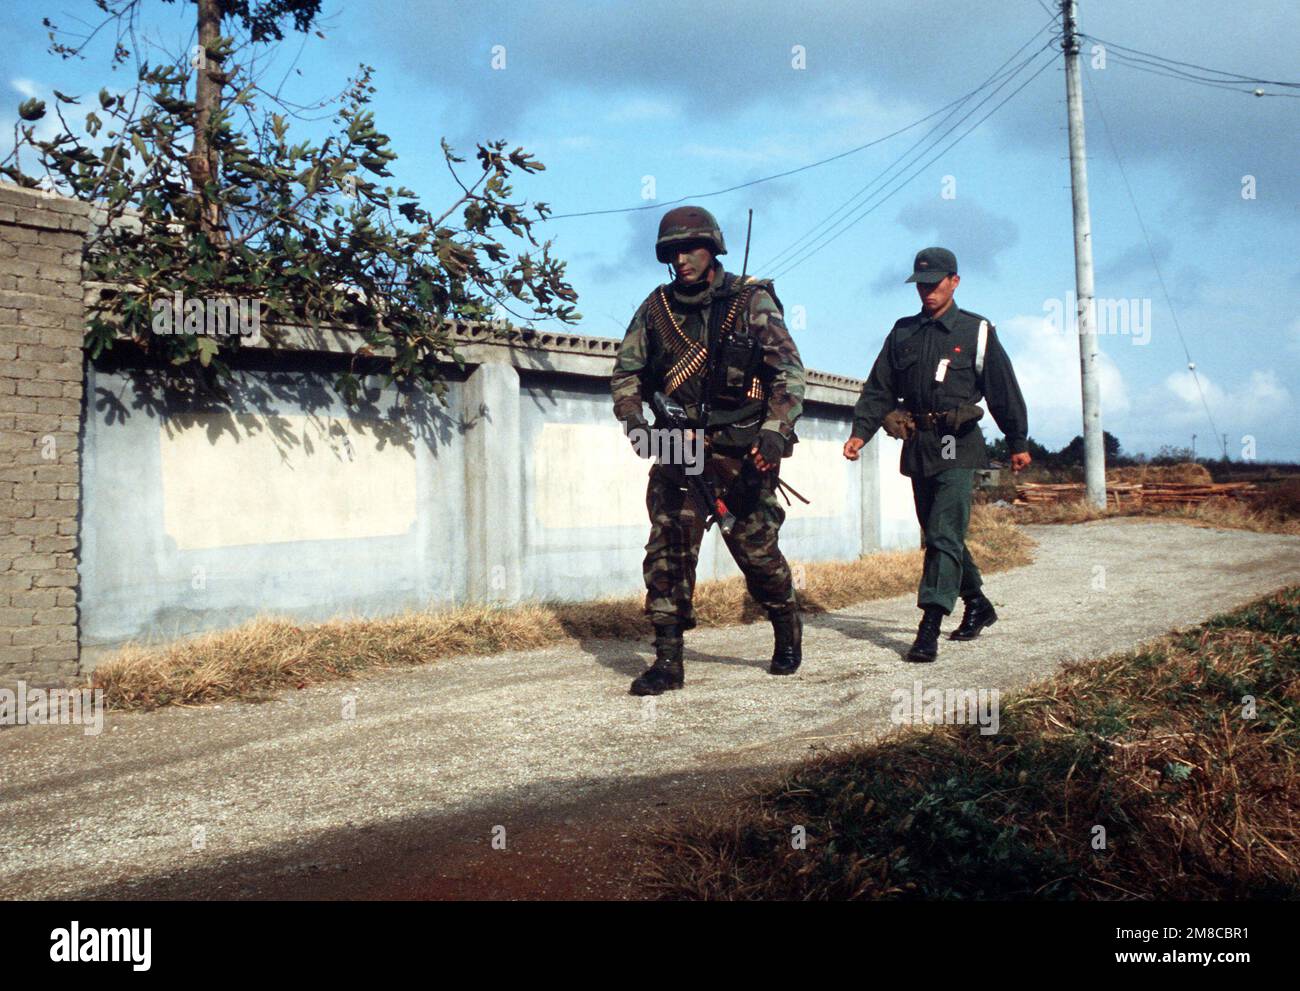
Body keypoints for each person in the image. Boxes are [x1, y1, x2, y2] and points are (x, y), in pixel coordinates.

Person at [611, 205, 806, 695]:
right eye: (673, 251)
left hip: (740, 451)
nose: (681, 260)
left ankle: (785, 619)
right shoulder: (657, 309)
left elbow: (789, 373)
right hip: (677, 446)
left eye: (690, 248)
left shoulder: (750, 301)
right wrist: (634, 420)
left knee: (756, 553)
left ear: (713, 248)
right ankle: (668, 661)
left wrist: (775, 431)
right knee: (668, 550)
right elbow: (626, 373)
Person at [842, 247, 1030, 663]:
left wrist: (1017, 441)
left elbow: (1002, 388)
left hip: (958, 444)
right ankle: (977, 602)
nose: (928, 291)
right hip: (920, 444)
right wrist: (861, 433)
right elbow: (879, 389)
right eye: (922, 284)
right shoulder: (903, 332)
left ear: (955, 282)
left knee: (943, 534)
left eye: (936, 283)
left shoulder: (976, 330)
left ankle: (929, 624)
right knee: (939, 533)